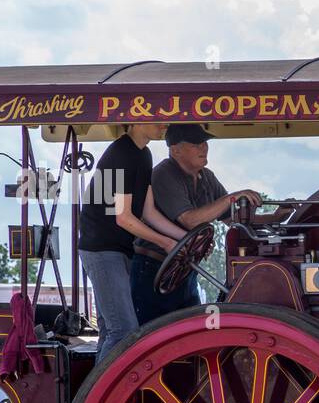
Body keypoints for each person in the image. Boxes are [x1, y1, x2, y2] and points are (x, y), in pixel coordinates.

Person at [129, 124, 261, 325]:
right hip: (154, 269)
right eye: (196, 143)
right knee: (152, 330)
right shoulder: (164, 174)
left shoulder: (207, 177)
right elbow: (189, 220)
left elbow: (232, 220)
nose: (203, 148)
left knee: (188, 330)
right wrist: (231, 198)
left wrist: (276, 217)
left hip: (185, 268)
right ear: (175, 150)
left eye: (205, 142)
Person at [78, 124, 182, 361]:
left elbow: (148, 212)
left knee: (110, 331)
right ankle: (100, 396)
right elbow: (124, 217)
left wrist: (182, 239)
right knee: (123, 331)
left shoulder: (143, 154)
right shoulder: (121, 153)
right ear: (136, 119)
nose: (164, 125)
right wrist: (165, 242)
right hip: (102, 249)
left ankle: (95, 395)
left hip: (119, 250)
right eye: (157, 118)